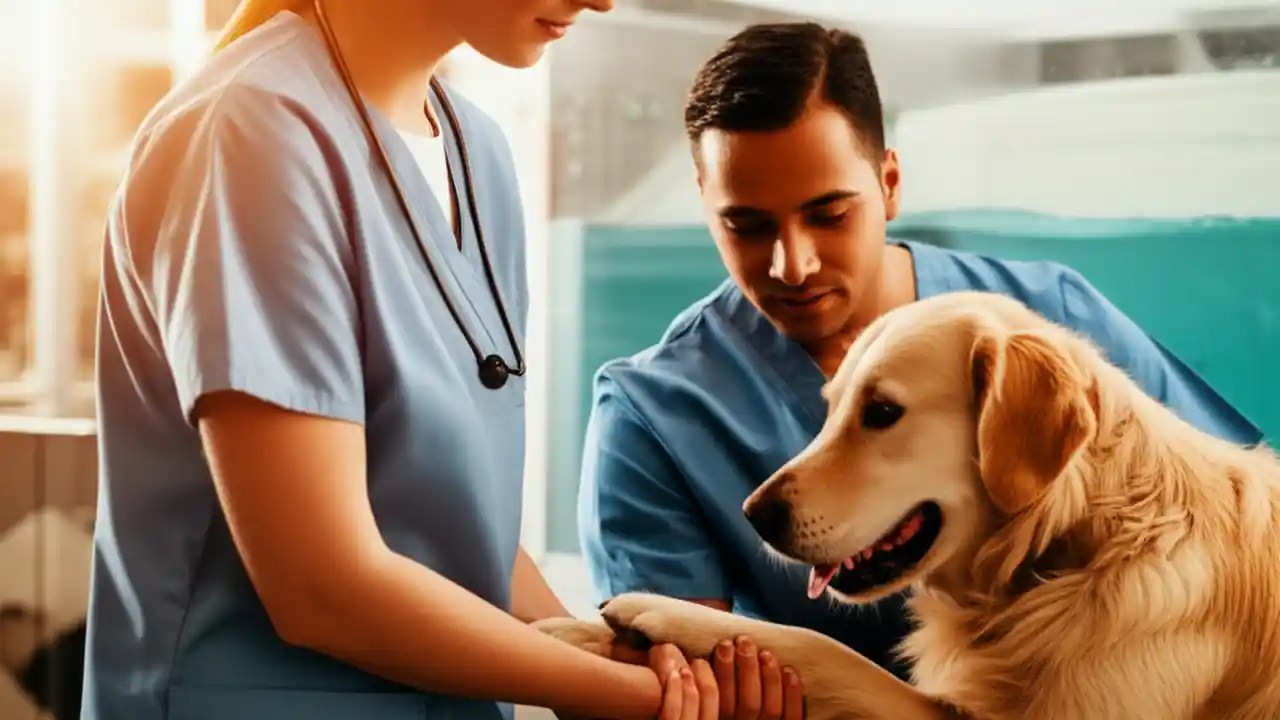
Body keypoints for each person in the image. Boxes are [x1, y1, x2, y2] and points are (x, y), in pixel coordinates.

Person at [81, 1, 805, 719]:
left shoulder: (476, 149)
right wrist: (624, 695)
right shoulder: (249, 134)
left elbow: (452, 527)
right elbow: (319, 587)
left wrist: (606, 653)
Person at [576, 21, 1266, 681]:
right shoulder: (651, 416)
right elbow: (673, 674)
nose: (793, 264)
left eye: (829, 214)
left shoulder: (1051, 321)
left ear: (891, 183)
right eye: (747, 225)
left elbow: (1239, 536)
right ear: (705, 205)